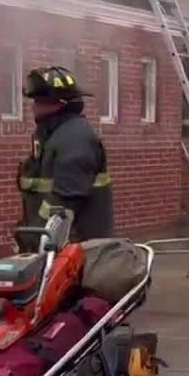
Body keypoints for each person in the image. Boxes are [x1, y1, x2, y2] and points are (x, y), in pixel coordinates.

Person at [16, 66, 113, 252]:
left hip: (74, 250)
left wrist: (35, 235)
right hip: (54, 245)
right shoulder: (54, 134)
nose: (34, 106)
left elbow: (65, 202)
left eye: (40, 101)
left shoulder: (74, 139)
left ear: (59, 104)